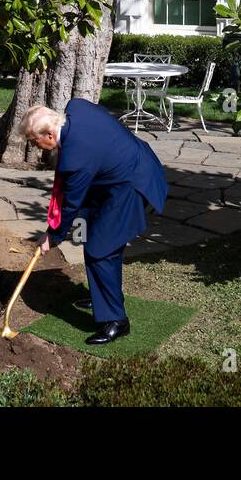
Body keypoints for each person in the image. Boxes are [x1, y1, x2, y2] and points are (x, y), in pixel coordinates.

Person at [21, 99, 168, 345]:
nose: (36, 147)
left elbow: (70, 204)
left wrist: (53, 236)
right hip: (116, 175)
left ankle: (115, 321)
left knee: (100, 249)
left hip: (132, 185)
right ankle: (103, 296)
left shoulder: (76, 157)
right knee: (91, 233)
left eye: (34, 141)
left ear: (48, 134)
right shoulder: (76, 107)